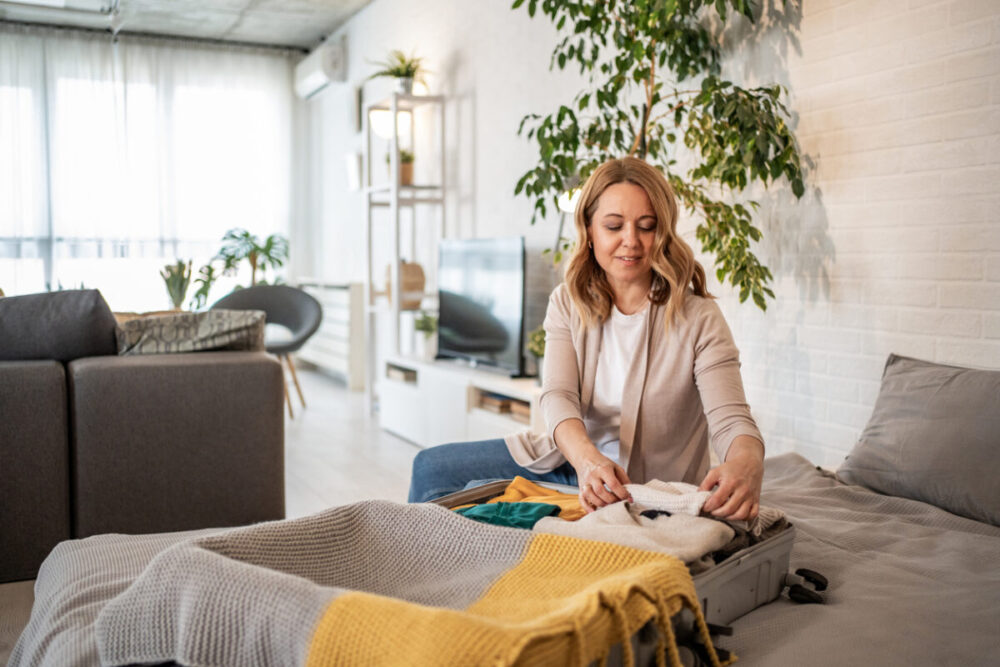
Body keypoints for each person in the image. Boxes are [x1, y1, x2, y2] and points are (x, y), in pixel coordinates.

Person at [408, 156, 765, 520]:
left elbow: (731, 419)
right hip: (573, 463)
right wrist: (588, 462)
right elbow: (559, 396)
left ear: (663, 233)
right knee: (429, 468)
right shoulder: (567, 301)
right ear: (590, 231)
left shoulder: (699, 318)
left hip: (646, 488)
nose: (631, 241)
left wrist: (748, 461)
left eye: (647, 226)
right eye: (614, 226)